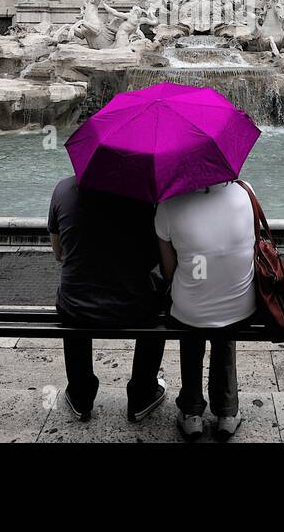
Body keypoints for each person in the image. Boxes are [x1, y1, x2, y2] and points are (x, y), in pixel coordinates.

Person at [47, 175, 167, 423]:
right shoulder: (143, 196)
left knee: (73, 294)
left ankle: (80, 394)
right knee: (162, 299)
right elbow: (154, 259)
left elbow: (59, 254)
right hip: (133, 306)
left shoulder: (63, 190)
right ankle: (142, 393)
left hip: (76, 305)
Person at [155, 180, 258, 441]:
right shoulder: (245, 191)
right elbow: (253, 247)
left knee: (191, 322)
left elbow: (168, 271)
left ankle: (191, 414)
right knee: (224, 329)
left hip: (190, 311)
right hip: (241, 305)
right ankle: (227, 413)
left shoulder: (167, 205)